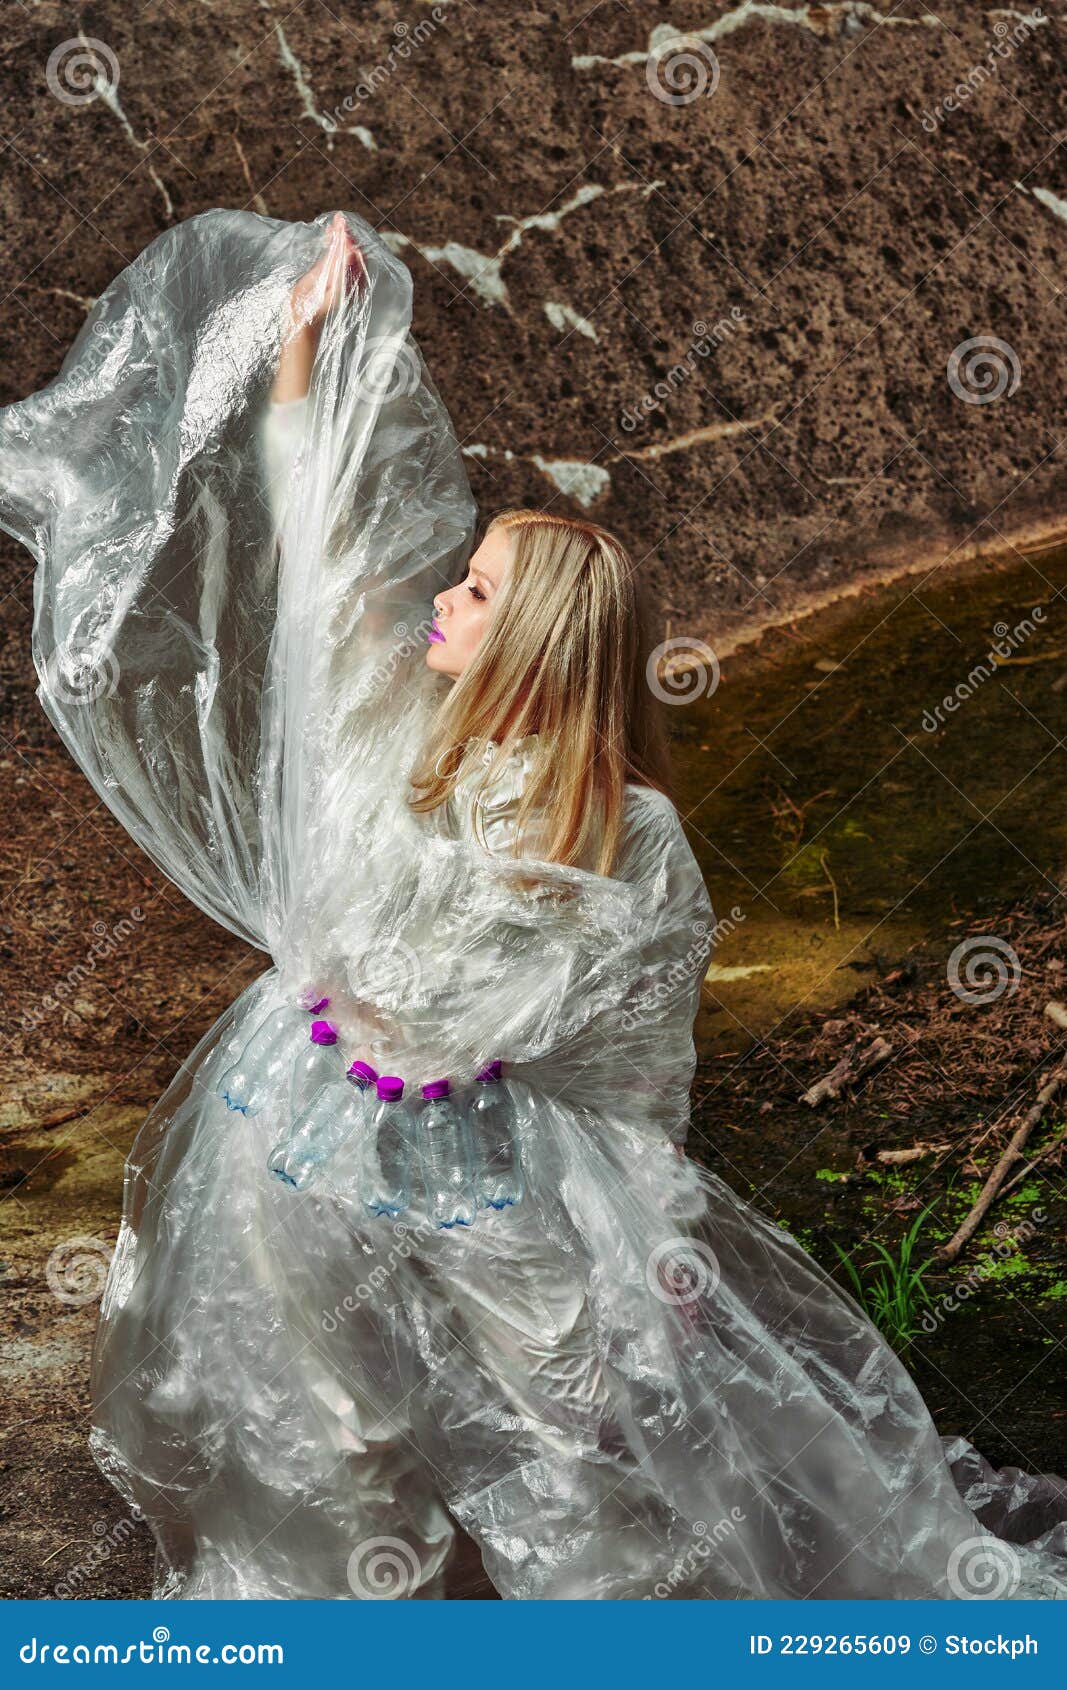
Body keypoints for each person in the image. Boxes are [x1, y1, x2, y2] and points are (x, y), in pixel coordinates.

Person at [1, 208, 1064, 1602]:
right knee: (319, 1409)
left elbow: (638, 1046)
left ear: (539, 637)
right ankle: (343, 1611)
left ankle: (586, 1625)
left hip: (500, 1173)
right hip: (305, 1131)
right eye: (461, 575)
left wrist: (658, 1236)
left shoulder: (627, 834)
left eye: (478, 588)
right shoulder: (396, 740)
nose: (443, 595)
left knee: (562, 1435)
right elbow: (332, 536)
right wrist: (310, 354)